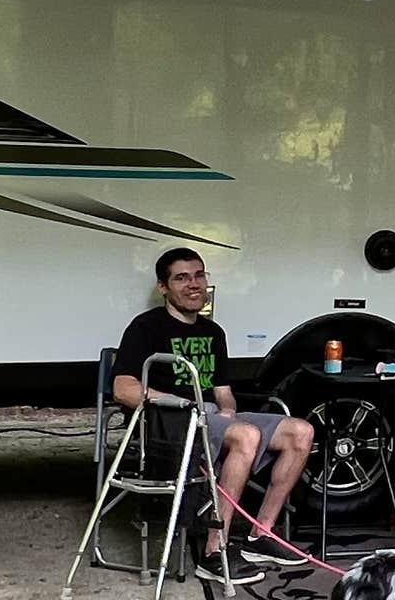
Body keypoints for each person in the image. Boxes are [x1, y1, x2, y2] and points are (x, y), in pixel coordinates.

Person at [112, 247, 314, 577]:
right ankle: (213, 551)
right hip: (171, 422)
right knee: (246, 436)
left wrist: (229, 411)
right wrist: (185, 405)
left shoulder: (213, 332)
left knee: (301, 432)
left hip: (212, 418)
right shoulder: (146, 328)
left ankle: (259, 535)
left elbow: (223, 392)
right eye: (181, 278)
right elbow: (123, 388)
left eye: (199, 275)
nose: (194, 284)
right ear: (163, 286)